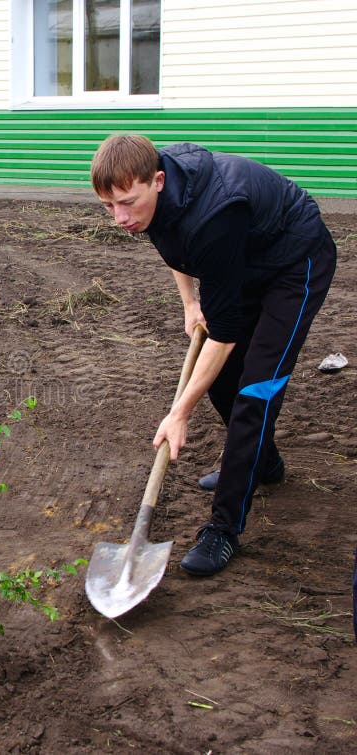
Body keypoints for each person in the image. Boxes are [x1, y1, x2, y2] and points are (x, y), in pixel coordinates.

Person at [90, 135, 337, 577]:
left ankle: (224, 528)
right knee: (222, 381)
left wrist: (180, 412)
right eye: (109, 206)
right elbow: (174, 245)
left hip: (294, 262)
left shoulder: (213, 216)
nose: (119, 217)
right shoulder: (152, 195)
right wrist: (190, 303)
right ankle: (263, 463)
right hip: (241, 258)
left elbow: (223, 336)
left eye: (127, 203)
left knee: (255, 389)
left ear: (158, 180)